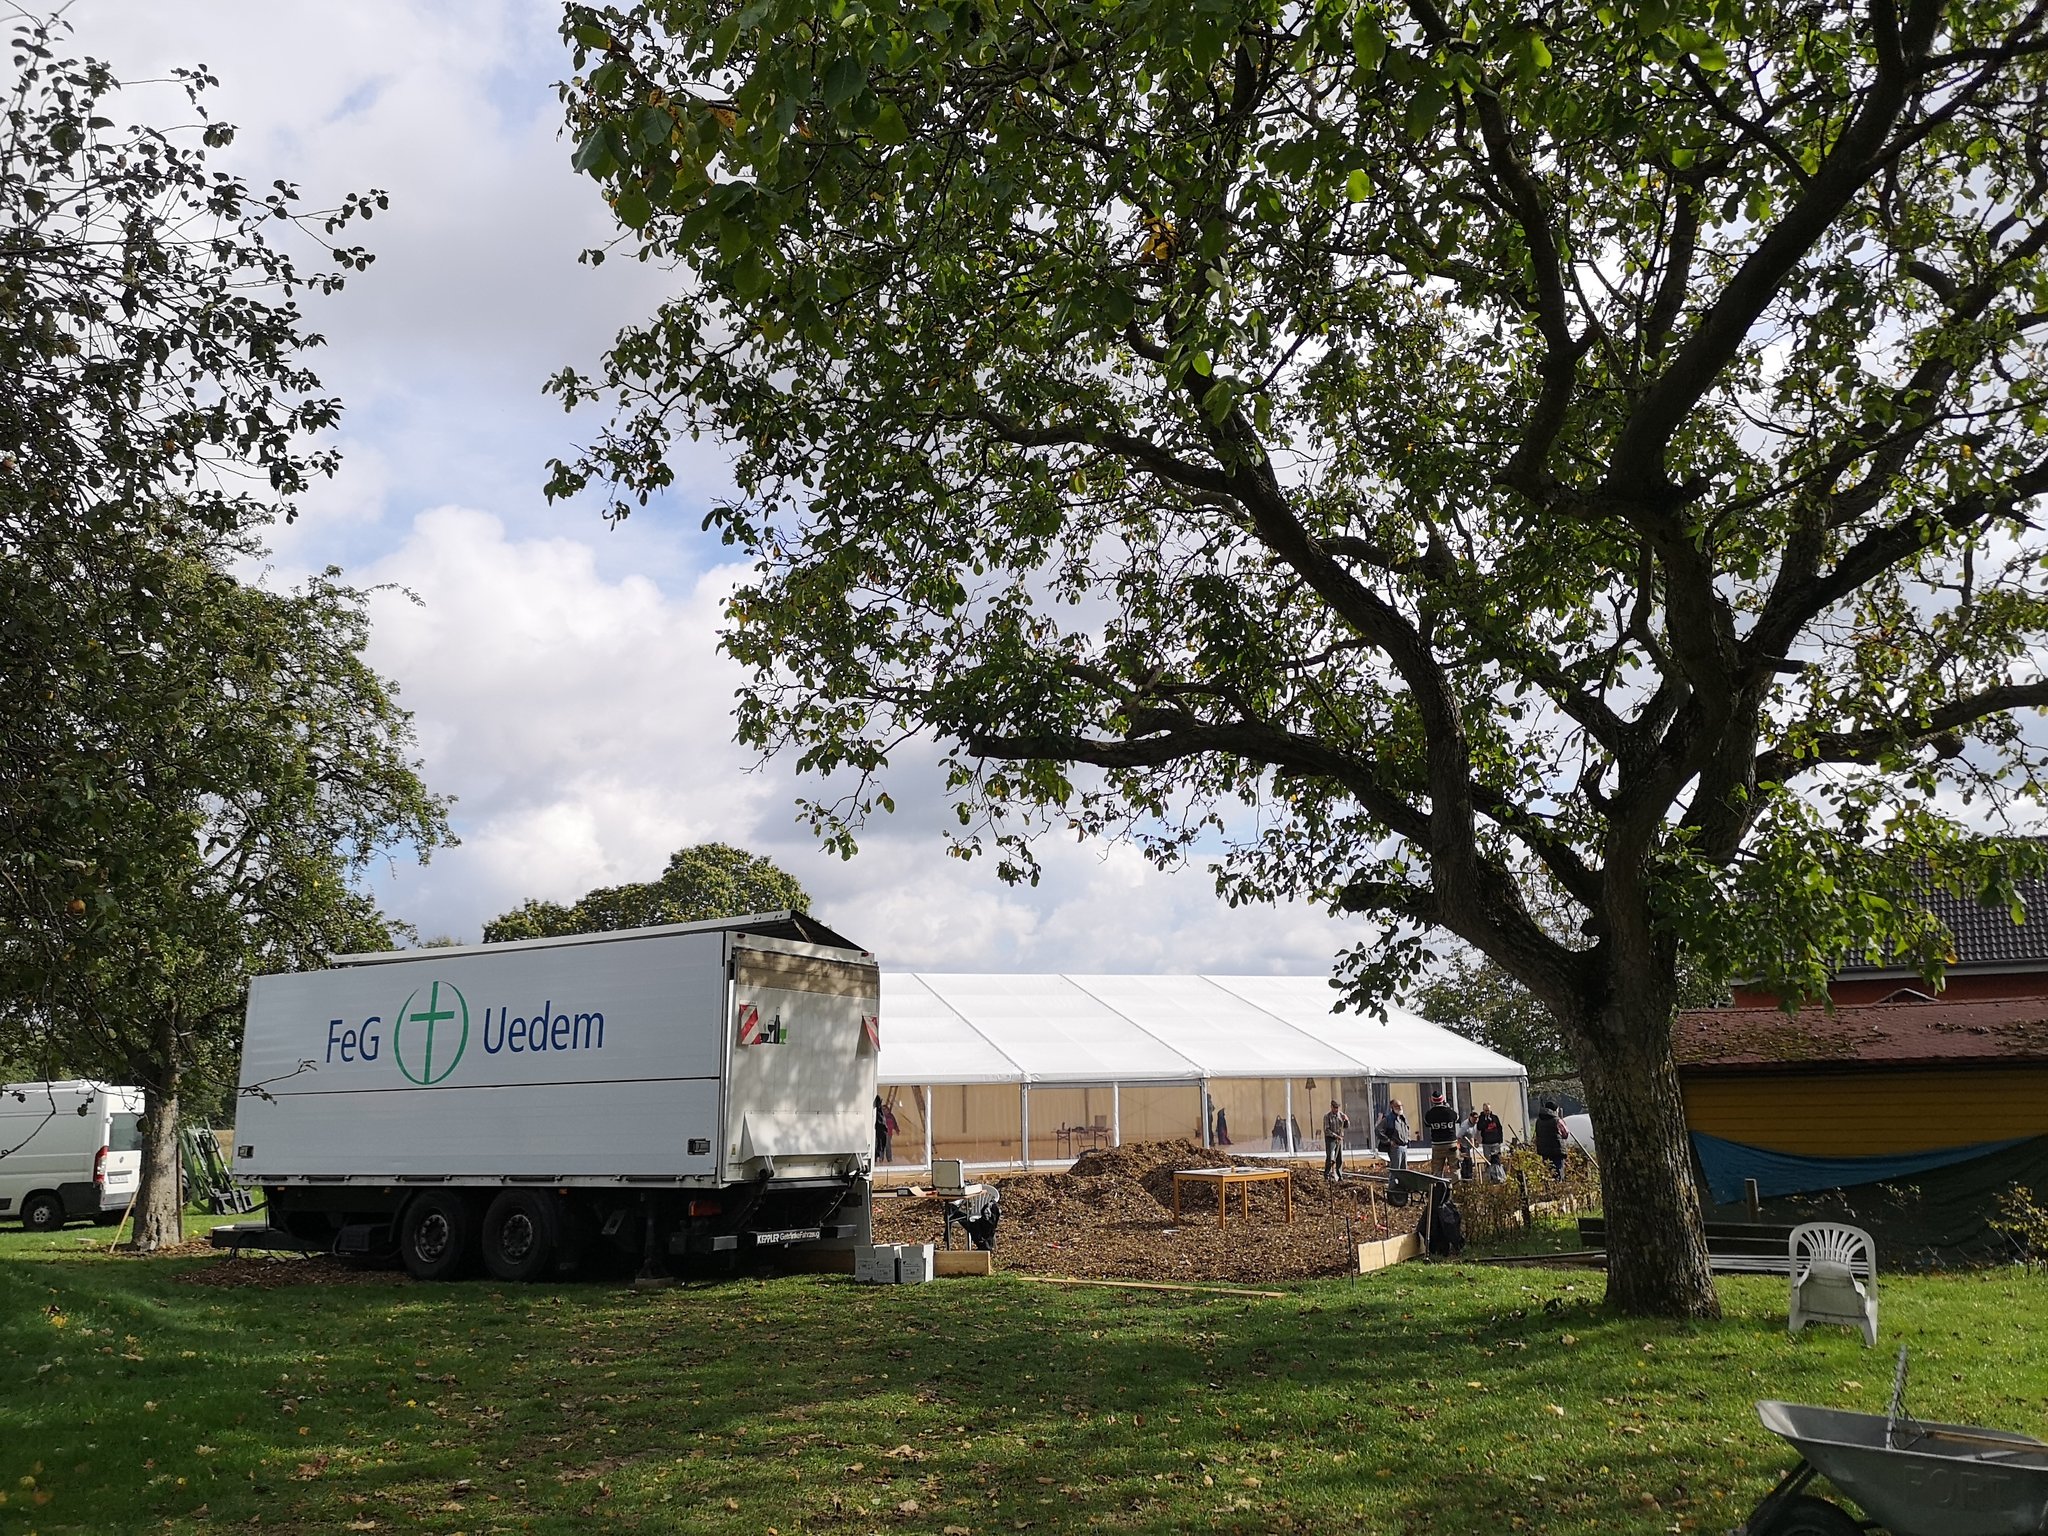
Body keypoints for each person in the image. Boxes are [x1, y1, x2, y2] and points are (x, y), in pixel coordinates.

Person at [1424, 1091, 1459, 1176]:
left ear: (1432, 1101)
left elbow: (1427, 1124)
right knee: (1454, 1168)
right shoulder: (1449, 1112)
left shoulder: (1429, 1114)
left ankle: (1438, 1183)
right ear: (1443, 1100)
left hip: (1437, 1145)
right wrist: (1448, 1108)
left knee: (1437, 1170)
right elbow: (1457, 1118)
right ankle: (1456, 1182)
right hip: (1451, 1144)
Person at [1534, 1099, 1570, 1178]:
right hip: (1557, 1151)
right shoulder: (1557, 1121)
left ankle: (1549, 1185)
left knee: (1548, 1172)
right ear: (1555, 1110)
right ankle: (1558, 1184)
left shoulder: (1538, 1121)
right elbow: (1565, 1134)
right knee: (1558, 1172)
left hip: (1544, 1151)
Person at [1375, 1098, 1410, 1172]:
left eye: (1401, 1106)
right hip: (1395, 1148)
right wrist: (1389, 1141)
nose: (1400, 1108)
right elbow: (1378, 1130)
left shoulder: (1403, 1118)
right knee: (1395, 1171)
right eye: (1397, 1106)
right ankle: (1393, 1180)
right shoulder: (1388, 1119)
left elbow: (1407, 1129)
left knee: (1404, 1171)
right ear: (1392, 1107)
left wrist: (1408, 1138)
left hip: (1404, 1147)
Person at [1476, 1102, 1506, 1183]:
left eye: (1488, 1110)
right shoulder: (1481, 1118)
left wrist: (1500, 1139)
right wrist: (1486, 1122)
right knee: (1488, 1160)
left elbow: (1499, 1128)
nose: (1487, 1112)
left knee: (1496, 1160)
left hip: (1495, 1142)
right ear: (1483, 1110)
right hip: (1486, 1143)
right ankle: (1490, 1177)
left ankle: (1498, 1176)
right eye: (1486, 1110)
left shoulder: (1495, 1118)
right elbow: (1479, 1127)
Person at [1322, 1099, 1349, 1180]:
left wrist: (1346, 1120)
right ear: (1331, 1107)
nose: (1336, 1109)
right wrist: (1335, 1136)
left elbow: (1346, 1126)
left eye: (1337, 1108)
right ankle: (1327, 1174)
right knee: (1330, 1156)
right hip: (1330, 1139)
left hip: (1339, 1139)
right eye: (1335, 1108)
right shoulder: (1327, 1116)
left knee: (1339, 1157)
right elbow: (1327, 1130)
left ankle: (1339, 1175)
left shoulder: (1341, 1115)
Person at [1456, 1111, 1478, 1181]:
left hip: (1470, 1145)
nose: (1475, 1120)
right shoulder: (1465, 1126)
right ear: (1470, 1117)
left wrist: (1475, 1141)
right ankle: (1466, 1176)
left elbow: (1473, 1134)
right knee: (1467, 1160)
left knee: (1469, 1160)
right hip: (1463, 1145)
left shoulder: (1475, 1124)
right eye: (1474, 1118)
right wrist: (1458, 1146)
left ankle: (1470, 1175)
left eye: (1477, 1118)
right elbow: (1459, 1137)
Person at [873, 1093, 892, 1162]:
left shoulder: (889, 1116)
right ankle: (880, 1158)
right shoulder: (879, 1113)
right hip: (881, 1131)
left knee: (885, 1146)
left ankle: (887, 1158)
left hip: (886, 1132)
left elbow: (893, 1123)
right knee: (880, 1145)